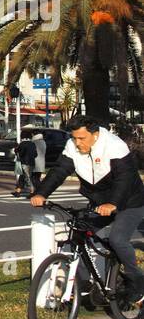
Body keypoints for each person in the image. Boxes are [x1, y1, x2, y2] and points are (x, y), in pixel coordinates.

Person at [32, 114, 144, 307]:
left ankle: (137, 282)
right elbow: (59, 171)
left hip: (129, 202)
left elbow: (124, 179)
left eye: (81, 138)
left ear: (95, 134)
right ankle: (83, 284)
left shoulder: (115, 146)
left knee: (118, 239)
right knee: (79, 232)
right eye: (74, 138)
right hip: (99, 203)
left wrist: (113, 204)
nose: (77, 143)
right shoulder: (72, 146)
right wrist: (41, 193)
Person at [14, 130, 36, 196]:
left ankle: (33, 191)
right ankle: (18, 191)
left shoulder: (22, 144)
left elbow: (21, 153)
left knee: (27, 178)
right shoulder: (32, 144)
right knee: (22, 177)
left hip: (25, 162)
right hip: (32, 162)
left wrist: (16, 150)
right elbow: (36, 154)